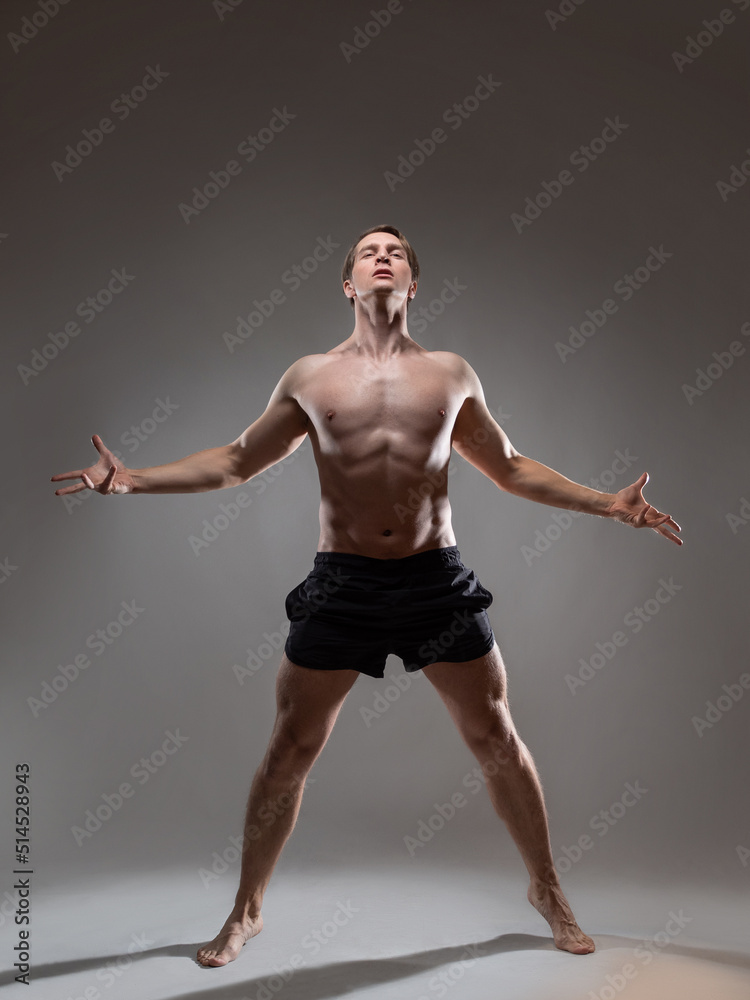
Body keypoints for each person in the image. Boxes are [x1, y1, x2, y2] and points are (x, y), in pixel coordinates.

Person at [51, 225, 682, 968]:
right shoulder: (311, 376)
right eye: (368, 253)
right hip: (343, 581)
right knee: (290, 746)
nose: (383, 257)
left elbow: (511, 468)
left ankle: (548, 891)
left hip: (433, 578)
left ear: (413, 283)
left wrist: (608, 504)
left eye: (396, 253)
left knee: (495, 737)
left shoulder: (450, 374)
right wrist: (130, 479)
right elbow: (235, 461)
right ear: (348, 284)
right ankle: (246, 910)